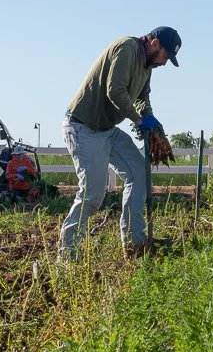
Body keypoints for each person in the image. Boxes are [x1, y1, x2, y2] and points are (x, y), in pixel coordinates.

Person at [58, 26, 182, 261]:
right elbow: (115, 91)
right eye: (166, 56)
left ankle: (135, 242)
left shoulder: (148, 65)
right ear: (155, 43)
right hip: (83, 127)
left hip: (106, 129)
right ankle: (67, 255)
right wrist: (138, 121)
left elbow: (142, 99)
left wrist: (151, 122)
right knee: (93, 195)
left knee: (138, 173)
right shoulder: (127, 48)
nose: (164, 63)